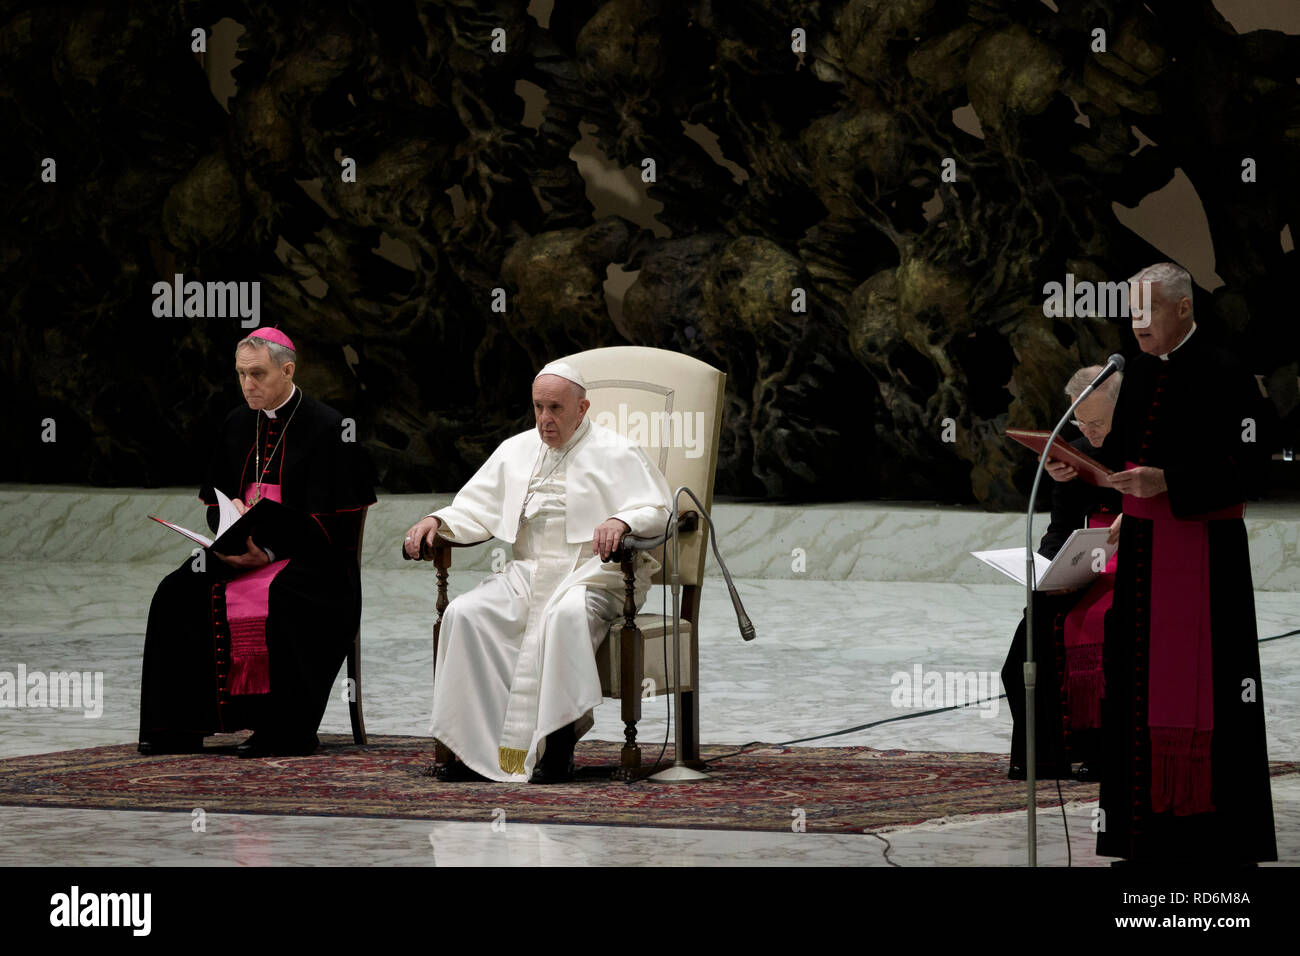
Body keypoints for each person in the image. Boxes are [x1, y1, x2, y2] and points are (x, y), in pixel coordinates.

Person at [403, 361, 672, 783]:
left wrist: (622, 522)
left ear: (582, 408)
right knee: (465, 614)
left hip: (594, 575)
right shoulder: (516, 449)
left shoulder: (618, 451)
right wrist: (437, 521)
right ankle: (473, 749)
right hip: (528, 572)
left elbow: (658, 510)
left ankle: (558, 745)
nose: (545, 419)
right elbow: (476, 507)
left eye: (556, 409)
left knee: (564, 616)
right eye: (538, 407)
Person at [1096, 262, 1276, 863]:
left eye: (1145, 312)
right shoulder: (1139, 371)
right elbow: (1127, 456)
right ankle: (1135, 830)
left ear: (1182, 309)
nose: (1135, 324)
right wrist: (1099, 478)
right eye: (1130, 312)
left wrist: (1169, 481)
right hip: (1144, 556)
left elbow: (1253, 468)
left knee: (1218, 693)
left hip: (1206, 559)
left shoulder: (1226, 372)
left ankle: (1213, 836)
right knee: (1135, 686)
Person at [138, 328, 376, 757]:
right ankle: (177, 726)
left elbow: (336, 524)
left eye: (258, 374)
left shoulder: (331, 428)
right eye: (241, 374)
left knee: (283, 598)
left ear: (287, 370)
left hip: (314, 562)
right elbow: (216, 502)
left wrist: (266, 552)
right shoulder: (236, 422)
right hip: (241, 548)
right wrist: (228, 520)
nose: (248, 384)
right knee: (175, 592)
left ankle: (284, 731)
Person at [1001, 365, 1122, 781]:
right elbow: (1060, 524)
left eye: (1099, 422)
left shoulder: (1148, 446)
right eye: (1080, 421)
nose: (1088, 432)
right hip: (1083, 557)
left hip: (1135, 558)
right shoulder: (1070, 452)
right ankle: (1044, 756)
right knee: (1031, 635)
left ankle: (1102, 752)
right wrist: (1047, 571)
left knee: (1104, 627)